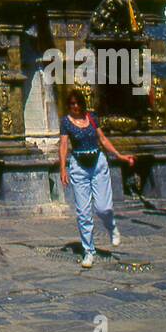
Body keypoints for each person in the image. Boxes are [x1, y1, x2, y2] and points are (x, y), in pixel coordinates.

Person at [59, 89, 135, 269]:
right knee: (83, 211)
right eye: (71, 104)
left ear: (82, 103)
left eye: (77, 103)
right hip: (79, 165)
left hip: (97, 164)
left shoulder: (92, 117)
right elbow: (63, 145)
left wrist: (119, 155)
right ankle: (88, 250)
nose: (75, 107)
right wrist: (63, 168)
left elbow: (102, 139)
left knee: (103, 207)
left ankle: (111, 226)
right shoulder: (65, 122)